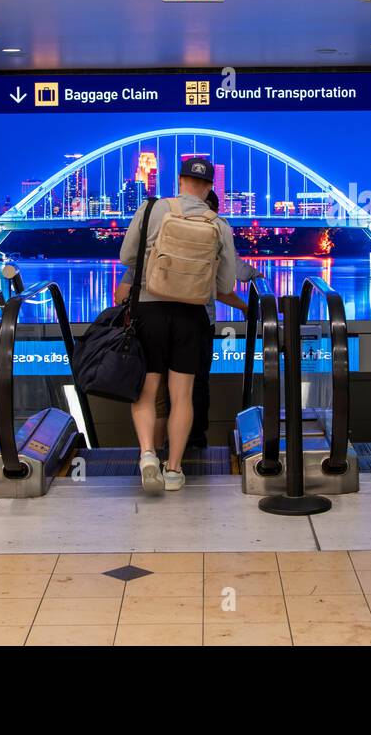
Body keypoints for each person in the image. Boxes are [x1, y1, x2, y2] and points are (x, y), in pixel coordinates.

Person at [118, 157, 240, 494]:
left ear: (180, 180)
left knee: (146, 390)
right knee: (182, 395)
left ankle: (146, 454)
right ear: (210, 186)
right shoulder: (219, 223)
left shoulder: (151, 208)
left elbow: (127, 257)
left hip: (149, 310)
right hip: (192, 315)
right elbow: (226, 283)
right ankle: (174, 469)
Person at [116, 190, 261, 450]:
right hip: (196, 321)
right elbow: (226, 281)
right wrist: (249, 294)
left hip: (150, 319)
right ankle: (187, 453)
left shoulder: (157, 242)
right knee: (191, 390)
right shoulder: (214, 229)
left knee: (152, 393)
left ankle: (151, 454)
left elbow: (122, 290)